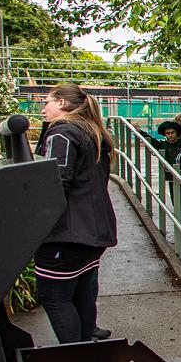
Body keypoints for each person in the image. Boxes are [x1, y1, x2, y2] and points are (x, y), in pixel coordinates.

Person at [34, 83, 118, 343]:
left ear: (61, 102)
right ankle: (85, 357)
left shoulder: (62, 133)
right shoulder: (92, 133)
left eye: (46, 102)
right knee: (82, 294)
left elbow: (56, 182)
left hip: (68, 233)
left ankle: (75, 359)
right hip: (94, 231)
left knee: (55, 296)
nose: (43, 109)